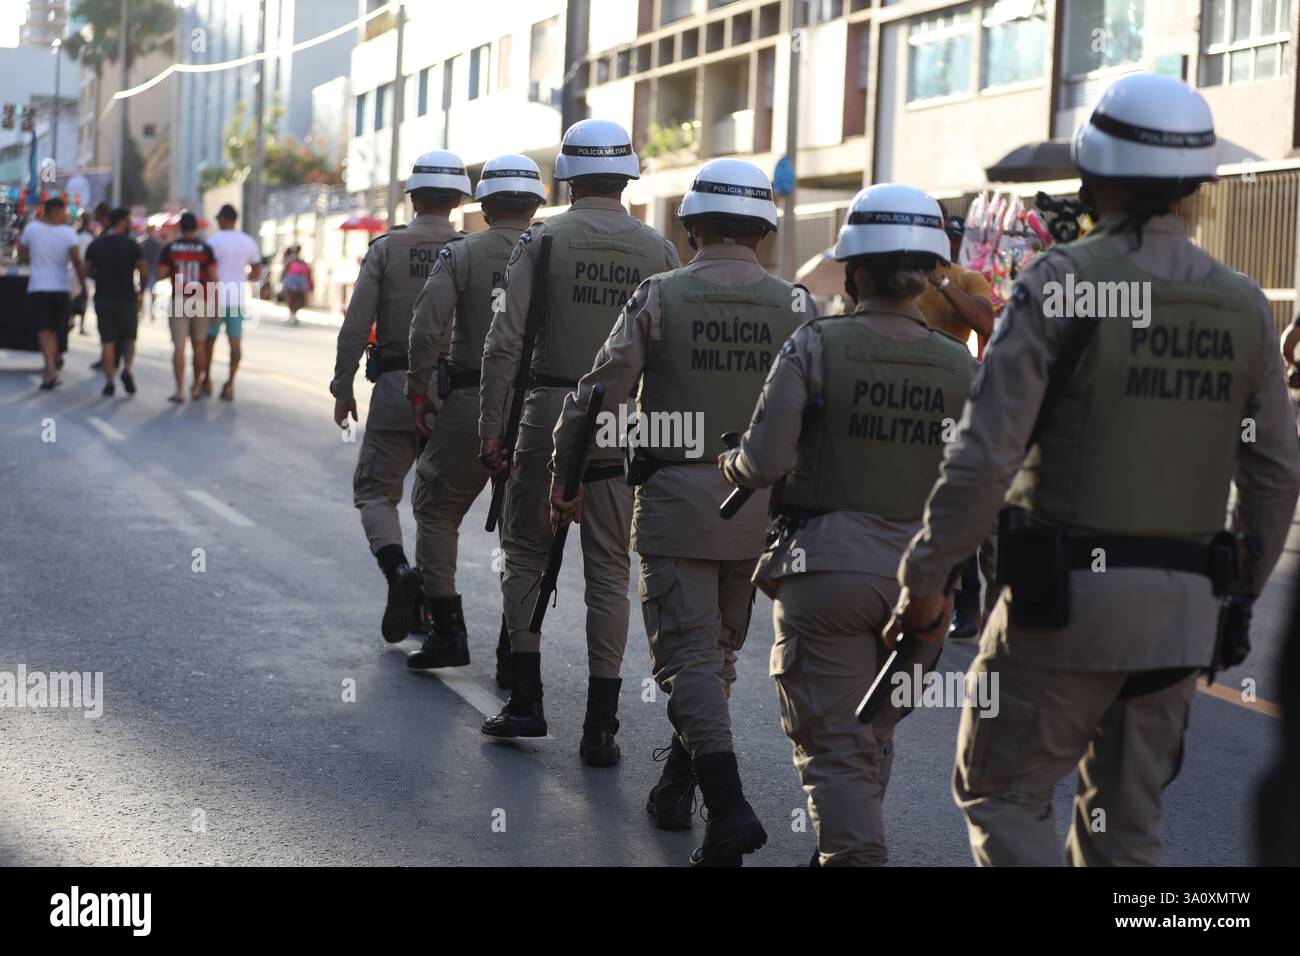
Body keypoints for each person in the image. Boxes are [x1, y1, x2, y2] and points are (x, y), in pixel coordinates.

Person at [891, 73, 1300, 866]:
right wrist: (1239, 591)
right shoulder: (1245, 303)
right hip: (1185, 613)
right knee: (1127, 825)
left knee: (1002, 792)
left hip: (1060, 604)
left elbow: (984, 455)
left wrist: (927, 579)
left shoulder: (1063, 279)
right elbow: (1276, 472)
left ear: (1095, 171)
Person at [553, 159, 804, 862]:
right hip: (760, 508)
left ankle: (726, 806)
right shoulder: (797, 306)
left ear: (691, 226)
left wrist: (564, 475)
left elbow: (599, 396)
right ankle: (675, 782)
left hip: (676, 501)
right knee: (715, 651)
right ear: (761, 228)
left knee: (688, 655)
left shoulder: (660, 295)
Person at [720, 184, 975, 866]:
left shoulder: (817, 345)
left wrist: (731, 465)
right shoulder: (965, 366)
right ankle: (843, 844)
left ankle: (850, 853)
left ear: (857, 271)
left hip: (826, 571)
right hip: (922, 589)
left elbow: (765, 461)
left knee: (834, 742)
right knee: (871, 732)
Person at [477, 119, 679, 762]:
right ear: (627, 176)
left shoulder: (542, 240)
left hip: (547, 408)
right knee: (610, 570)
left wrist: (491, 429)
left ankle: (528, 702)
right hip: (624, 421)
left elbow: (504, 341)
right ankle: (601, 726)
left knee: (525, 553)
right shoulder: (659, 250)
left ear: (566, 176)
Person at [405, 154, 546, 681]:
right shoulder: (552, 252)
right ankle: (516, 653)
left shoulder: (462, 253)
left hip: (468, 401)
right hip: (543, 409)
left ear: (483, 205)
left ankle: (447, 631)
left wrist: (420, 394)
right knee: (526, 538)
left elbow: (425, 330)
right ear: (535, 204)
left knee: (436, 510)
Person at [331, 151, 469, 643]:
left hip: (394, 388)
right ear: (458, 199)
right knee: (438, 514)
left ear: (412, 197)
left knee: (375, 492)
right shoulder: (470, 249)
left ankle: (398, 573)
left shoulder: (386, 249)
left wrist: (343, 385)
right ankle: (437, 617)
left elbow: (354, 326)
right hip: (457, 397)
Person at [916, 216, 997, 642]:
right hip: (913, 399)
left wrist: (944, 284)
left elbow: (985, 324)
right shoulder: (906, 274)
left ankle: (968, 606)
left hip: (953, 396)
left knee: (957, 499)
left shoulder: (968, 278)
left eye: (952, 238)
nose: (946, 244)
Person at [18, 197, 86, 390]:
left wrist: (36, 259)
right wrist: (83, 287)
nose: (66, 216)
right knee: (54, 330)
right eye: (64, 212)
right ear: (55, 212)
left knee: (45, 330)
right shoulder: (69, 234)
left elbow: (22, 255)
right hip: (61, 288)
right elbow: (77, 262)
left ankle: (49, 368)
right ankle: (50, 368)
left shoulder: (32, 229)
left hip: (39, 286)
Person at [202, 204, 263, 401]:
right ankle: (229, 384)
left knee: (208, 342)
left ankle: (207, 380)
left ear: (226, 219)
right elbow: (256, 270)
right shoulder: (248, 242)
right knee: (235, 343)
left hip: (215, 298)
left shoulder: (213, 241)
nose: (217, 221)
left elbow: (206, 271)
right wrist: (244, 280)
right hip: (237, 298)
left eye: (219, 218)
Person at [84, 207, 146, 397]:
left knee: (107, 341)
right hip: (127, 298)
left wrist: (99, 278)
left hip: (103, 297)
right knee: (129, 337)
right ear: (121, 221)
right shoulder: (132, 245)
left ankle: (109, 381)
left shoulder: (96, 245)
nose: (130, 224)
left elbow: (87, 270)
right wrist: (141, 292)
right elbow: (143, 271)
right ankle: (127, 368)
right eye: (128, 220)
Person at [157, 211, 218, 404]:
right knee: (199, 345)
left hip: (180, 299)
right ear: (196, 227)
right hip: (200, 299)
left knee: (179, 347)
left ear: (180, 228)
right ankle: (197, 387)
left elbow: (160, 274)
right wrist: (216, 305)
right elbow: (214, 278)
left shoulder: (171, 247)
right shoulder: (205, 249)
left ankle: (179, 391)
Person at [70, 210, 95, 336]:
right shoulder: (74, 234)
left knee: (83, 296)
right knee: (76, 295)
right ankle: (72, 319)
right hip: (77, 271)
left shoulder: (88, 235)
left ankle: (79, 324)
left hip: (82, 271)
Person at [282, 246, 313, 325]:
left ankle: (293, 314)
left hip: (297, 282)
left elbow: (307, 273)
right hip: (295, 282)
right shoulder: (292, 261)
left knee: (296, 299)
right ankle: (292, 314)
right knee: (293, 299)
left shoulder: (300, 262)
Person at [139, 225, 163, 322]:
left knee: (143, 291)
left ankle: (142, 311)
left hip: (144, 269)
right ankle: (149, 312)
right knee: (151, 291)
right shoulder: (156, 242)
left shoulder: (141, 242)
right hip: (151, 269)